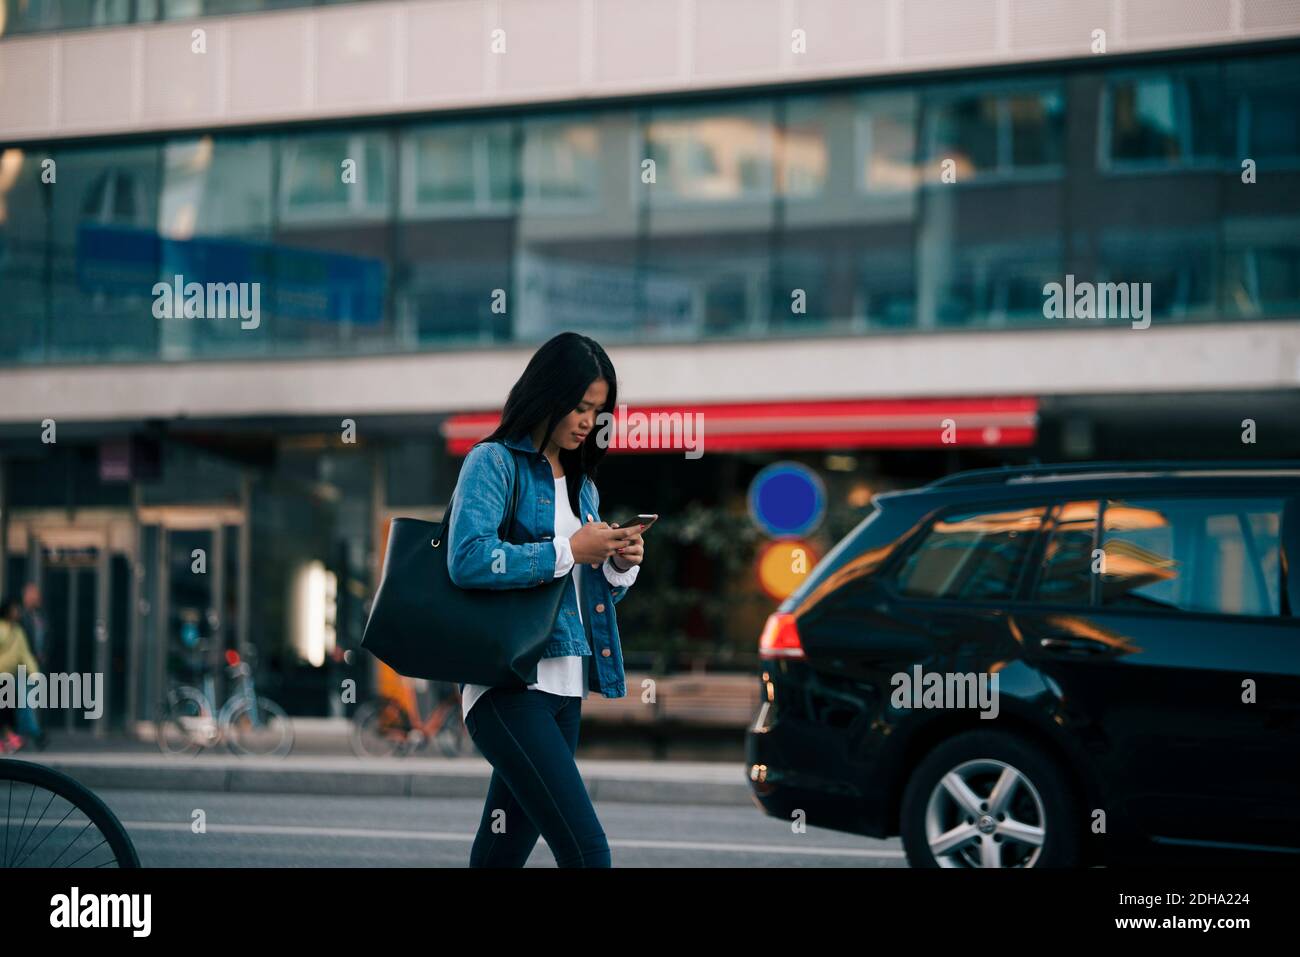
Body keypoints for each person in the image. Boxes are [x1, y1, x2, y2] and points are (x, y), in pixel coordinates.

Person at [447, 332, 645, 868]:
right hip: (509, 686)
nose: (588, 421)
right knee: (587, 852)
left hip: (565, 688)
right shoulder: (492, 463)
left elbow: (577, 598)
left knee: (501, 853)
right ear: (547, 395)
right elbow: (467, 558)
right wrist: (566, 550)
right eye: (579, 406)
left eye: (598, 411)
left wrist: (617, 566)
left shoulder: (583, 486)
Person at [0, 596, 42, 754]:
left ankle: (8, 739)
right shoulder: (1, 629)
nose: (18, 612)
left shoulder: (18, 632)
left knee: (9, 708)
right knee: (5, 709)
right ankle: (10, 738)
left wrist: (35, 674)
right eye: (15, 609)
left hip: (10, 677)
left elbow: (25, 655)